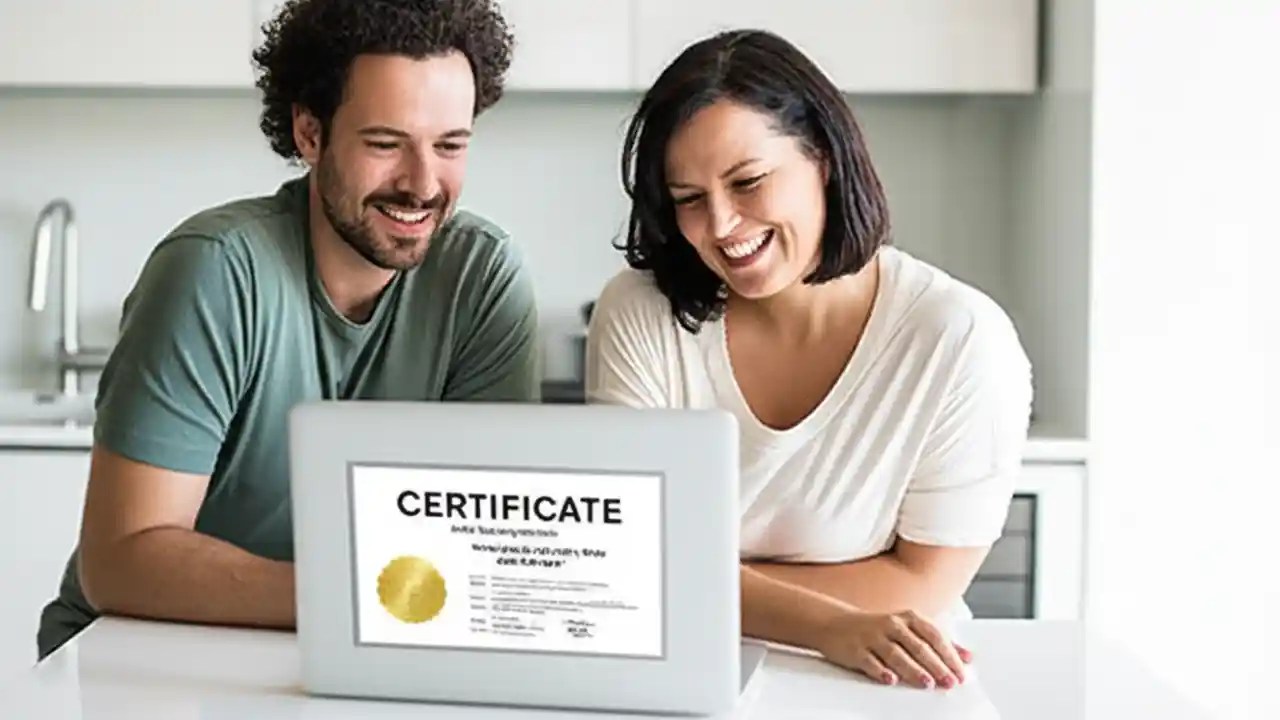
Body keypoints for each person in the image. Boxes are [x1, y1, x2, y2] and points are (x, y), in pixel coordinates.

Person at [36, 0, 538, 660]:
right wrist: (355, 602)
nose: (422, 184)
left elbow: (487, 543)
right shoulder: (215, 270)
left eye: (449, 145)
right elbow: (120, 561)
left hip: (351, 652)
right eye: (385, 144)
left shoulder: (482, 278)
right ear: (309, 133)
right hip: (134, 658)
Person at [585, 30, 1032, 691]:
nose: (722, 225)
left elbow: (925, 582)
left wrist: (696, 582)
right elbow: (627, 558)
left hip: (884, 685)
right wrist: (826, 623)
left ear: (822, 157)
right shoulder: (640, 314)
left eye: (748, 182)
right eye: (689, 199)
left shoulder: (959, 338)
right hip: (682, 675)